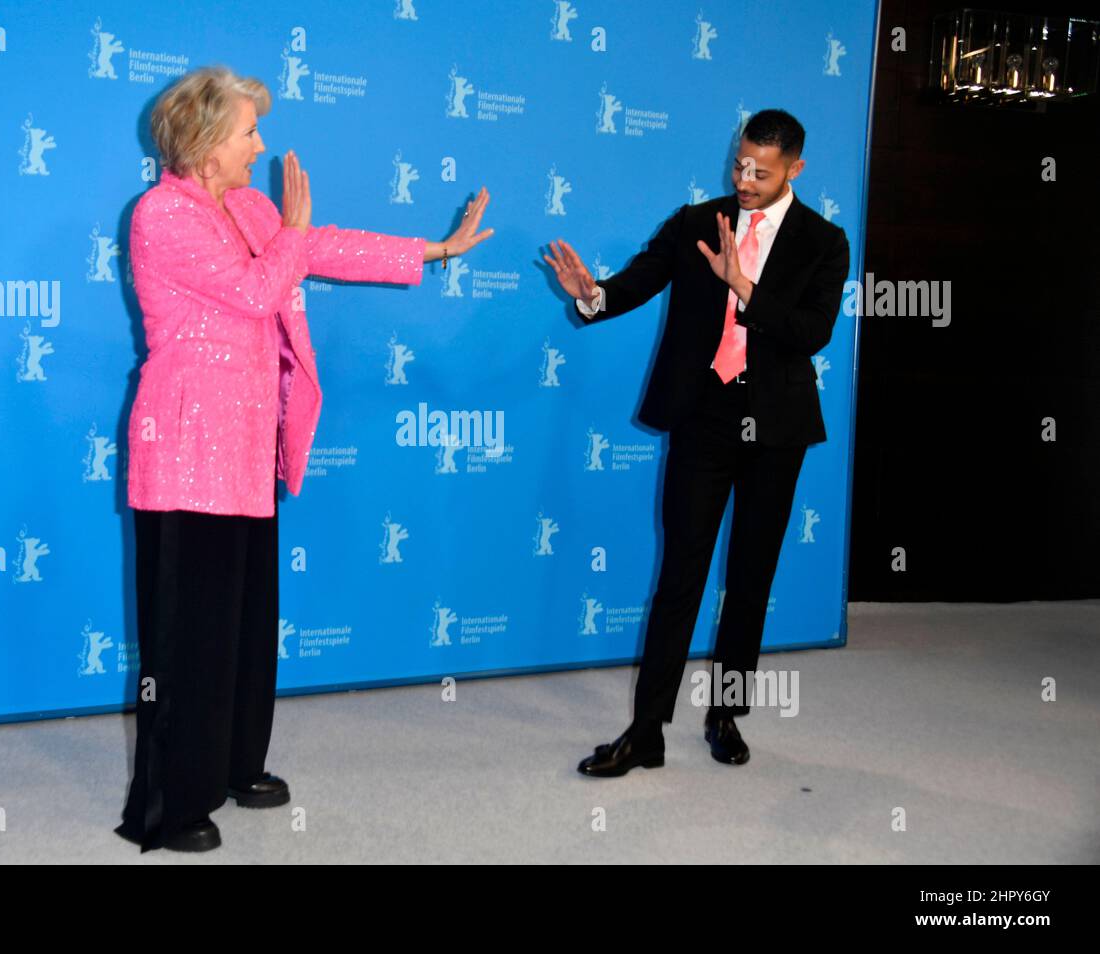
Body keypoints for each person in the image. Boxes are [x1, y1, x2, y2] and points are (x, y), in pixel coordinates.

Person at [116, 65, 493, 852]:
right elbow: (257, 291)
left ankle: (233, 765)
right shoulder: (160, 214)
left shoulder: (252, 207)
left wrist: (436, 249)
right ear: (206, 141)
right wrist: (292, 235)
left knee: (247, 624)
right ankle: (170, 806)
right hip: (185, 454)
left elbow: (321, 246)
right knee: (187, 638)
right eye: (249, 131)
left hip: (249, 449)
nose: (261, 145)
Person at [543, 109, 849, 776]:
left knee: (750, 578)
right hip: (704, 416)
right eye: (740, 164)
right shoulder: (695, 222)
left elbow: (811, 330)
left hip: (776, 427)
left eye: (761, 172)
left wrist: (744, 286)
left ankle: (725, 714)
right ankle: (646, 730)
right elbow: (639, 278)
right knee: (681, 573)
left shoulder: (825, 241)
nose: (744, 179)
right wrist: (592, 296)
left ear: (794, 168)